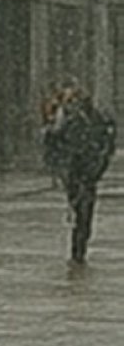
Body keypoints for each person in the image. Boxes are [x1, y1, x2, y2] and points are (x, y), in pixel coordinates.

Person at [40, 81, 116, 264]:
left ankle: (78, 250)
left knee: (83, 212)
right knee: (81, 212)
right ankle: (78, 250)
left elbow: (105, 144)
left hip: (85, 171)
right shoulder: (70, 120)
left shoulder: (92, 119)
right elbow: (54, 143)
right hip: (78, 171)